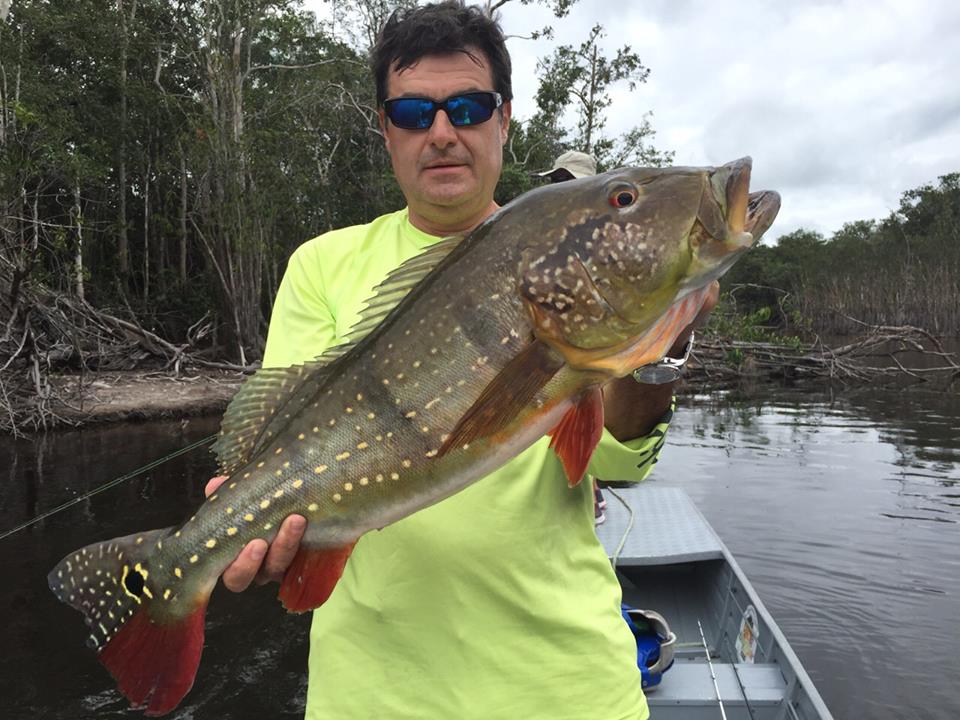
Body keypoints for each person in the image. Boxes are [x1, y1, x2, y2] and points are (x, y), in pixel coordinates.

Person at [206, 3, 717, 718]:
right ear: (386, 130)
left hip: (569, 692)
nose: (442, 133)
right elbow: (281, 444)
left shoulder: (571, 281)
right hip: (372, 699)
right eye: (414, 112)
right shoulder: (322, 267)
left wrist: (662, 347)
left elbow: (616, 464)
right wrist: (238, 524)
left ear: (503, 120)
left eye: (468, 107)